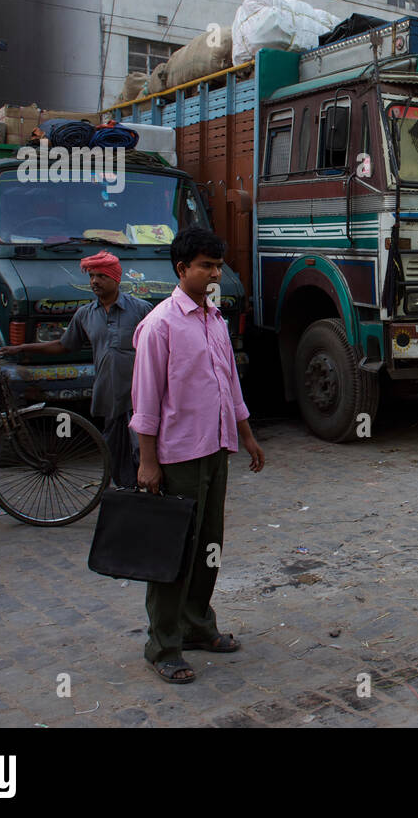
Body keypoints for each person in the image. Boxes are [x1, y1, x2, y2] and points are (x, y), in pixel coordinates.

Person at [130, 226, 265, 685]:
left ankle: (197, 627)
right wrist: (148, 462)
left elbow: (229, 383)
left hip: (216, 447)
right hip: (178, 454)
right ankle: (162, 645)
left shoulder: (216, 320)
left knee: (209, 545)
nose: (214, 274)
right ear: (182, 268)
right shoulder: (160, 325)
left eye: (218, 266)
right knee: (176, 551)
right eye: (205, 265)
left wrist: (246, 435)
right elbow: (146, 402)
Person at [0, 252, 150, 488]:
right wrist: (22, 347)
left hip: (140, 396)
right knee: (115, 454)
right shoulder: (85, 315)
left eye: (101, 276)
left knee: (145, 452)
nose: (95, 282)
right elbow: (63, 345)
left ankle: (153, 498)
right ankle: (127, 498)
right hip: (110, 395)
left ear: (115, 278)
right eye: (91, 276)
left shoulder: (141, 309)